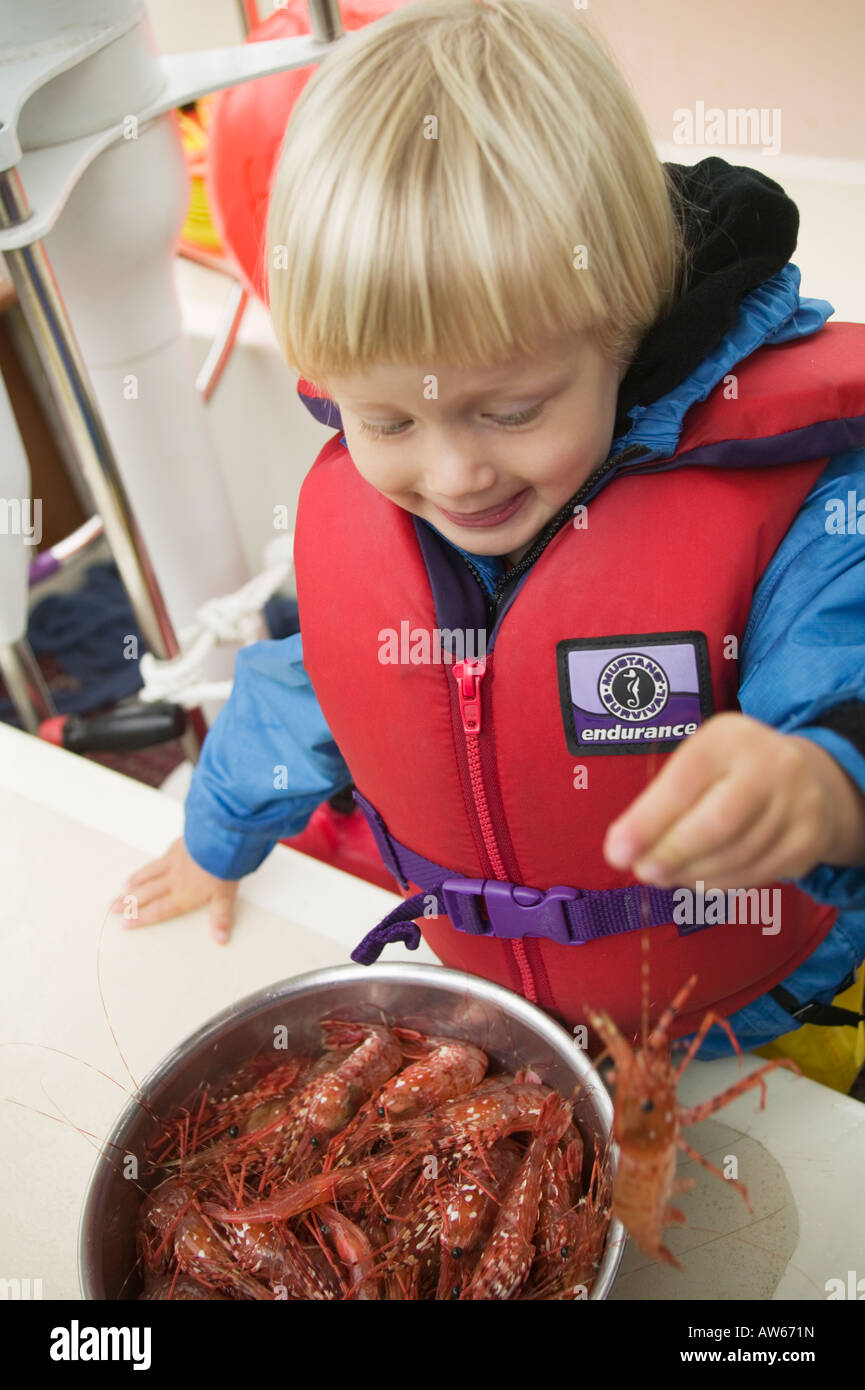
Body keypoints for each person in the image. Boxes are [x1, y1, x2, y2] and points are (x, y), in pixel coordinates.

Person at [109, 0, 865, 1090]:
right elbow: (314, 683)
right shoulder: (401, 504)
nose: (455, 475)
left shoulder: (796, 498)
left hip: (761, 1017)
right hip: (513, 1024)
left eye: (511, 412)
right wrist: (213, 834)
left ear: (628, 321)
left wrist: (821, 786)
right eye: (389, 422)